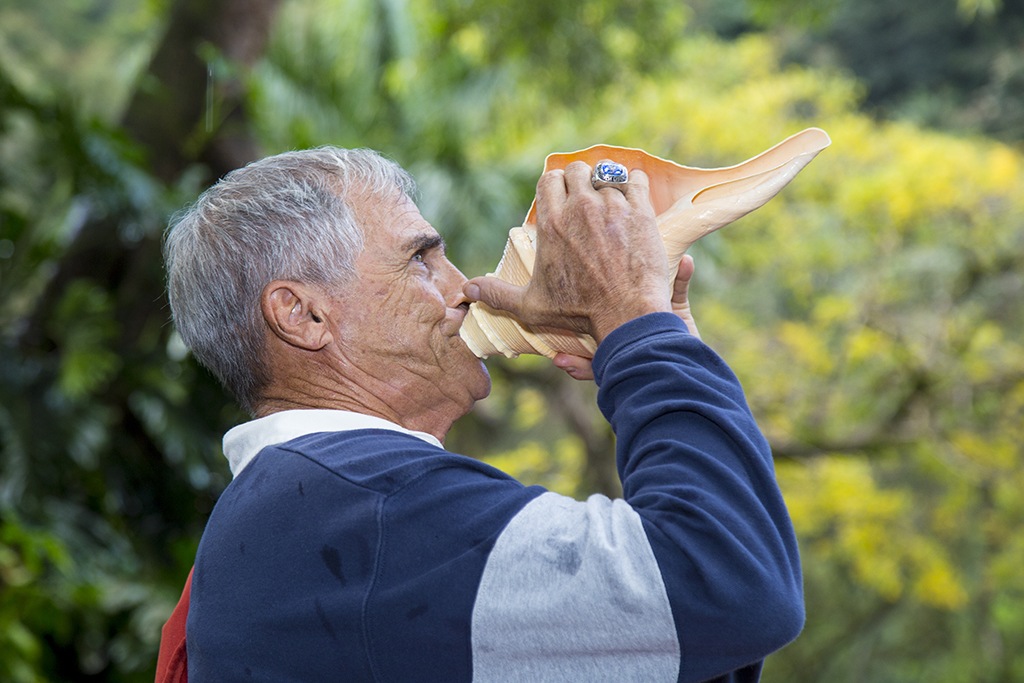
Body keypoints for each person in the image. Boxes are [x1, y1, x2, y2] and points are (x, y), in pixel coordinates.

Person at [157, 146, 803, 682]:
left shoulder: (302, 517)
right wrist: (638, 325)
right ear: (304, 315)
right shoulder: (368, 508)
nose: (461, 285)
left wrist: (665, 346)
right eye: (420, 258)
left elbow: (687, 638)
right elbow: (733, 581)